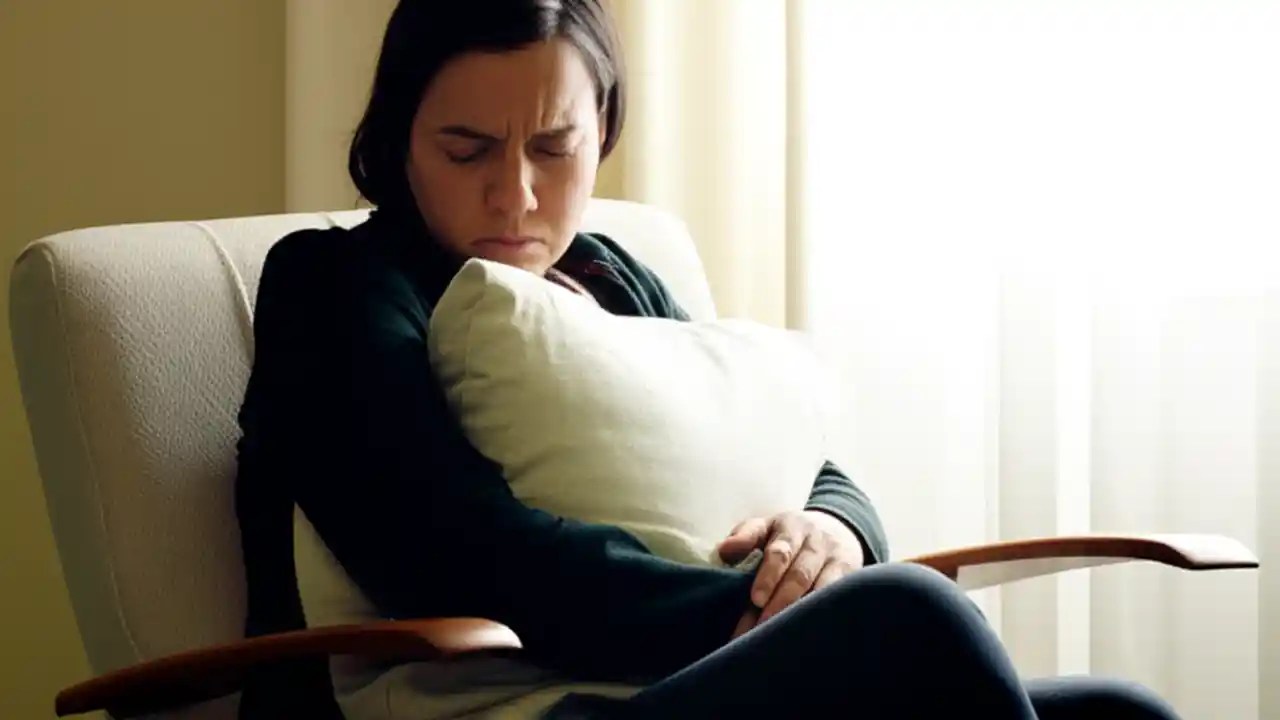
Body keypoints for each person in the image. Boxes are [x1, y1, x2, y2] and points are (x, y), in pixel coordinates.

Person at [233, 1, 1182, 718]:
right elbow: (449, 552)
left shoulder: (614, 279)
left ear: (603, 129)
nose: (514, 194)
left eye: (554, 146)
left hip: (679, 675)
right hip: (529, 703)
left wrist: (833, 535)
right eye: (467, 148)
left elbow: (786, 458)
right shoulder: (334, 286)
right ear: (400, 139)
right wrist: (757, 612)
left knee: (1117, 714)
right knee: (910, 619)